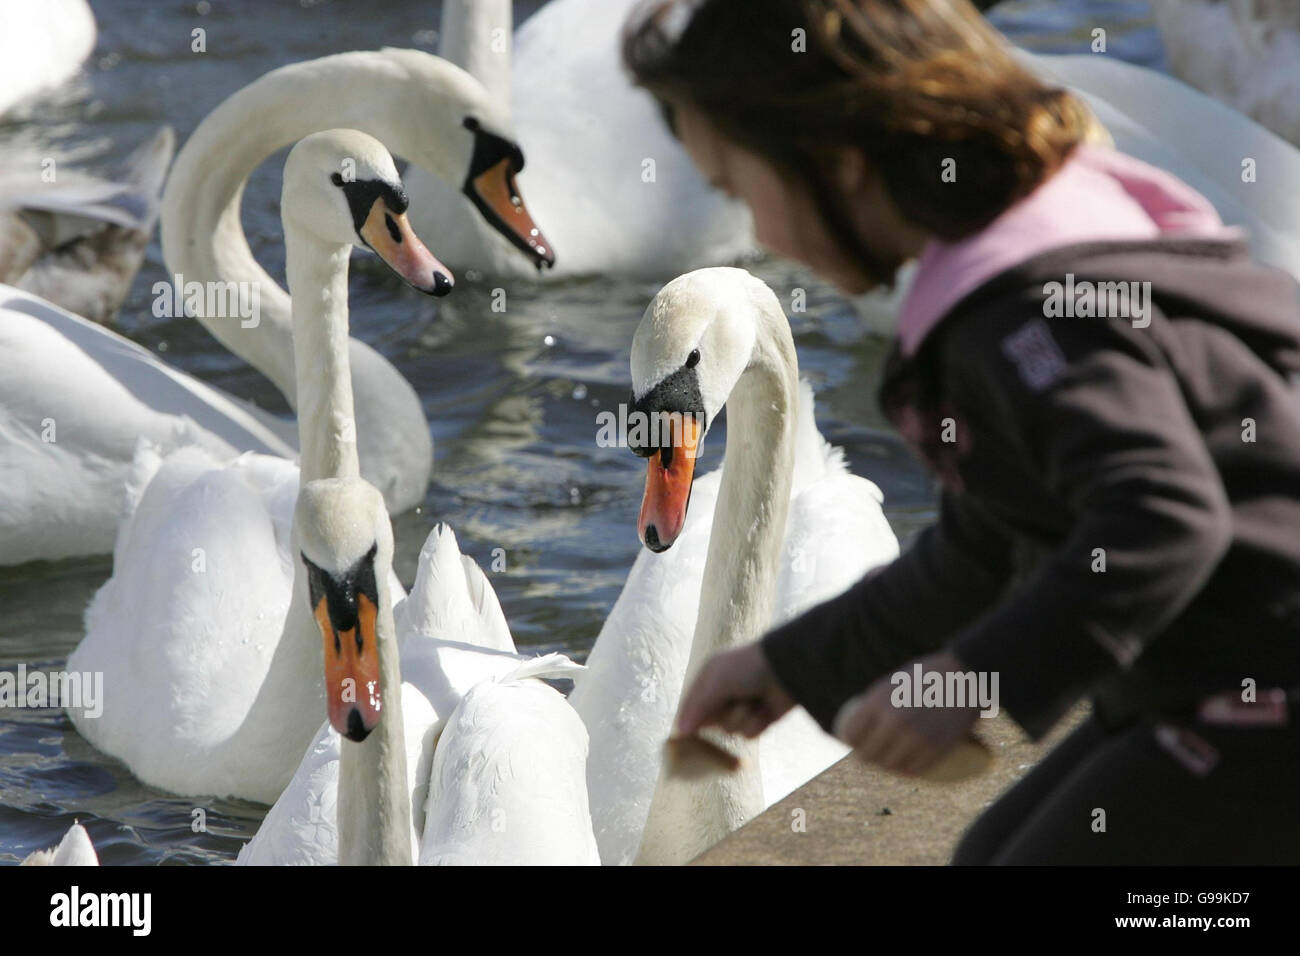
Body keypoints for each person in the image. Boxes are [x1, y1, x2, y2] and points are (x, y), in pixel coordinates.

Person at [624, 0, 1300, 863]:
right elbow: (987, 544)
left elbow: (1162, 517)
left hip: (1261, 697)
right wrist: (794, 666)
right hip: (1216, 666)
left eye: (743, 191)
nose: (756, 235)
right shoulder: (1050, 249)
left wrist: (966, 681)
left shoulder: (1025, 320)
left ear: (841, 166)